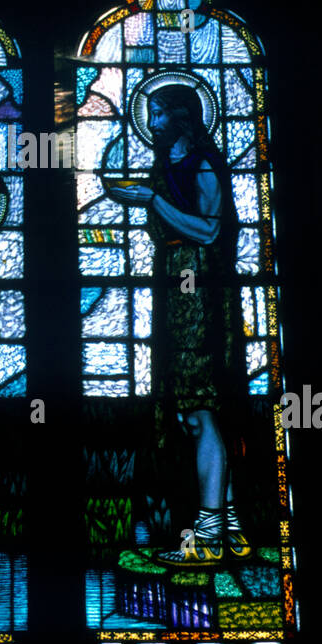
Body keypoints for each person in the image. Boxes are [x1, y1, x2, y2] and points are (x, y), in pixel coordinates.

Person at [108, 85, 251, 566]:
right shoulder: (168, 165)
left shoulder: (204, 163)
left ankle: (209, 535)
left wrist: (151, 199)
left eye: (158, 114)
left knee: (200, 411)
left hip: (200, 292)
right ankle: (227, 523)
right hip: (176, 287)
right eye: (148, 114)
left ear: (181, 116)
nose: (151, 123)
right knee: (192, 415)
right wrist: (146, 197)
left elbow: (209, 230)